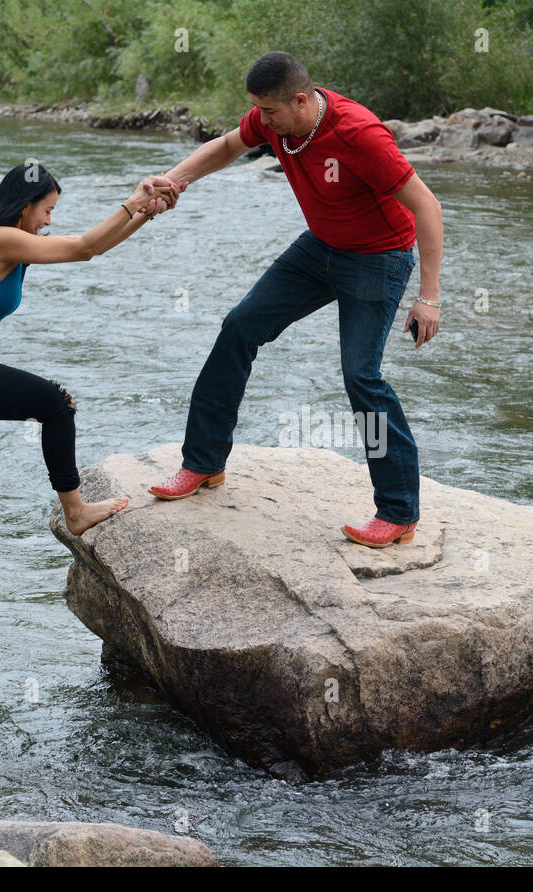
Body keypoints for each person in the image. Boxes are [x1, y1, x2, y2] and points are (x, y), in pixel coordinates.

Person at [146, 51, 444, 549]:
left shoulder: (359, 134)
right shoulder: (277, 122)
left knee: (361, 375)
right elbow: (225, 147)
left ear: (301, 101)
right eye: (258, 111)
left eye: (269, 112)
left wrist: (429, 298)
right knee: (239, 326)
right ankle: (202, 462)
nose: (261, 122)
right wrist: (173, 181)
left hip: (378, 257)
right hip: (320, 247)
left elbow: (427, 206)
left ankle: (398, 512)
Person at [0, 162, 185, 643]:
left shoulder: (12, 244)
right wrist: (132, 199)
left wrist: (146, 213)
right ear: (26, 205)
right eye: (47, 210)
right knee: (55, 403)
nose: (48, 221)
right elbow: (83, 245)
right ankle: (76, 511)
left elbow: (91, 251)